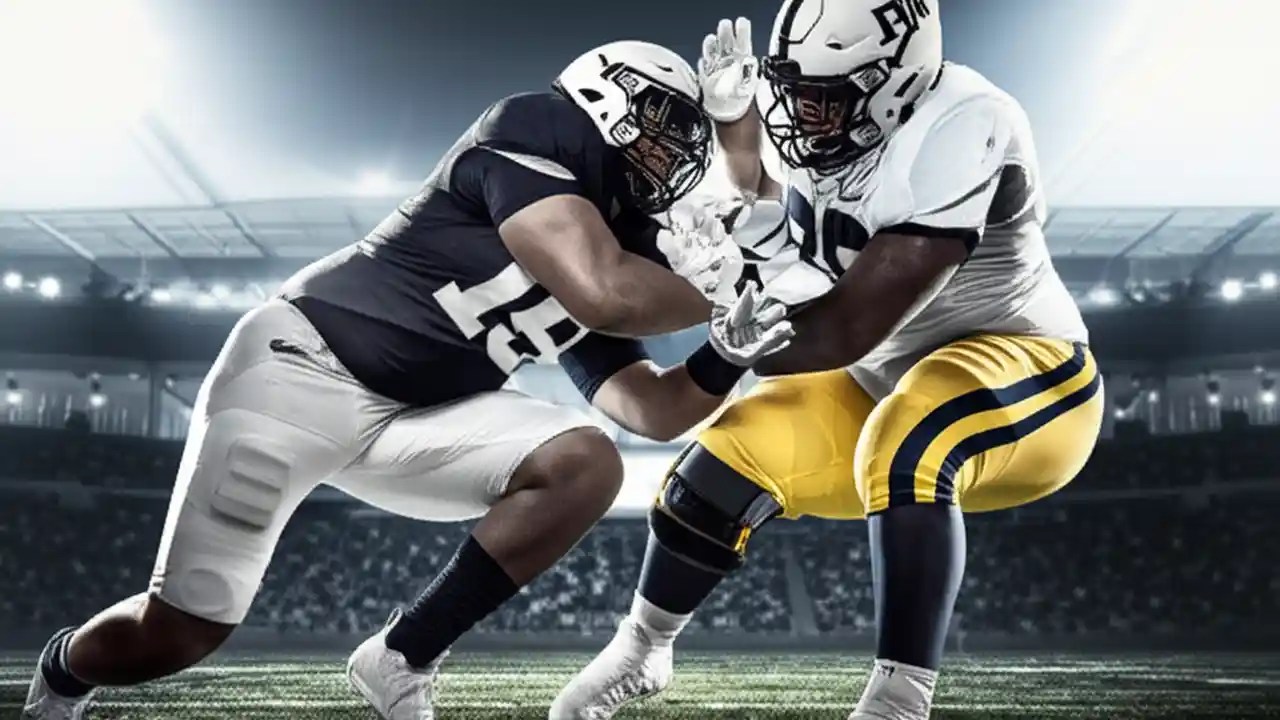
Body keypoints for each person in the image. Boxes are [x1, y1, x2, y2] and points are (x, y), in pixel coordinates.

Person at [23, 40, 790, 720]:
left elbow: (653, 410)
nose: (670, 147)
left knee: (586, 462)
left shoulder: (624, 241)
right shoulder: (534, 128)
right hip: (298, 379)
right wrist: (728, 281)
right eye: (659, 118)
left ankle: (401, 655)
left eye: (685, 133)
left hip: (416, 419)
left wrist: (727, 350)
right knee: (179, 633)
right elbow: (606, 290)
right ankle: (61, 671)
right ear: (601, 93)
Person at [552, 4, 1103, 719]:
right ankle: (642, 649)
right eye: (794, 87)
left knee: (910, 435)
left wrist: (727, 299)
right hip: (882, 383)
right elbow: (774, 215)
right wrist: (735, 131)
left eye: (828, 96)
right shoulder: (824, 128)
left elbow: (845, 328)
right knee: (719, 459)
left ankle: (899, 701)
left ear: (896, 81)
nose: (804, 113)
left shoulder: (964, 124)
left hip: (1030, 374)